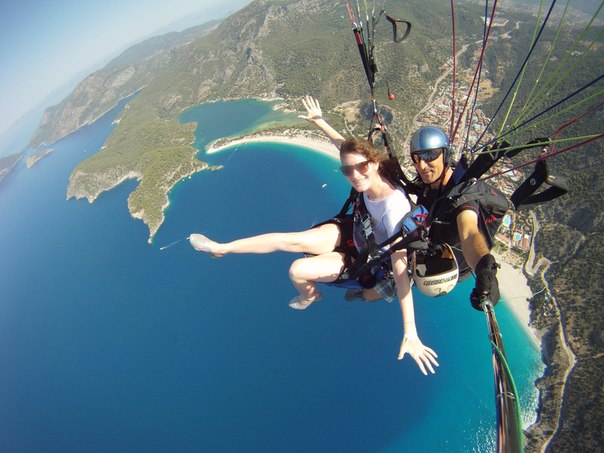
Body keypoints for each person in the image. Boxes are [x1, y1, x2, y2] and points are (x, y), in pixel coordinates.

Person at [189, 96, 439, 375]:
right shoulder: (368, 170)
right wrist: (320, 121)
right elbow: (345, 147)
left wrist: (410, 331)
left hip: (368, 259)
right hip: (356, 232)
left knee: (299, 271)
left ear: (375, 163)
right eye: (347, 170)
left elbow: (400, 267)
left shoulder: (394, 209)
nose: (355, 175)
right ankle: (221, 248)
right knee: (293, 239)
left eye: (362, 168)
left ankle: (311, 296)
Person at [408, 125, 501, 310]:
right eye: (416, 158)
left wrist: (484, 270)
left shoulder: (463, 193)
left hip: (455, 267)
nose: (421, 165)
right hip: (434, 253)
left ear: (446, 154)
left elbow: (469, 232)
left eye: (429, 156)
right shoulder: (428, 185)